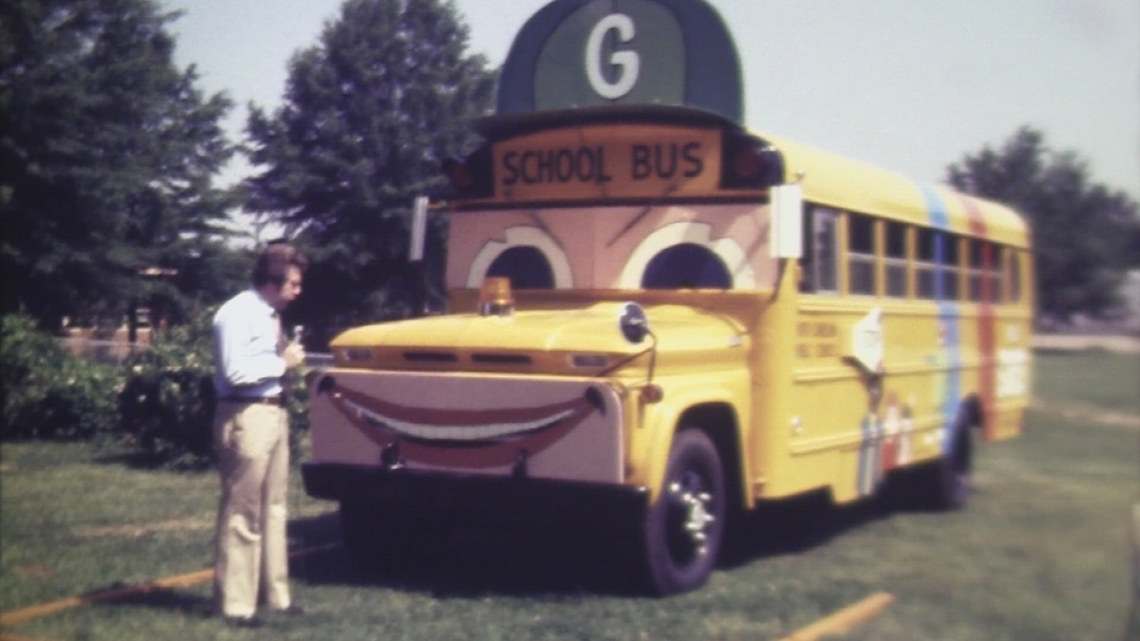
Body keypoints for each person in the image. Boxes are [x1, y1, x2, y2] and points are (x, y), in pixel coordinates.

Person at [210, 242, 308, 627]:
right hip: (245, 414)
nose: (298, 291)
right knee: (242, 511)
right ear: (273, 280)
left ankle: (275, 595)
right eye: (294, 284)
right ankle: (235, 605)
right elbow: (235, 372)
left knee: (274, 506)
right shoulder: (236, 314)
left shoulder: (268, 314)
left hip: (273, 413)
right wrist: (281, 363)